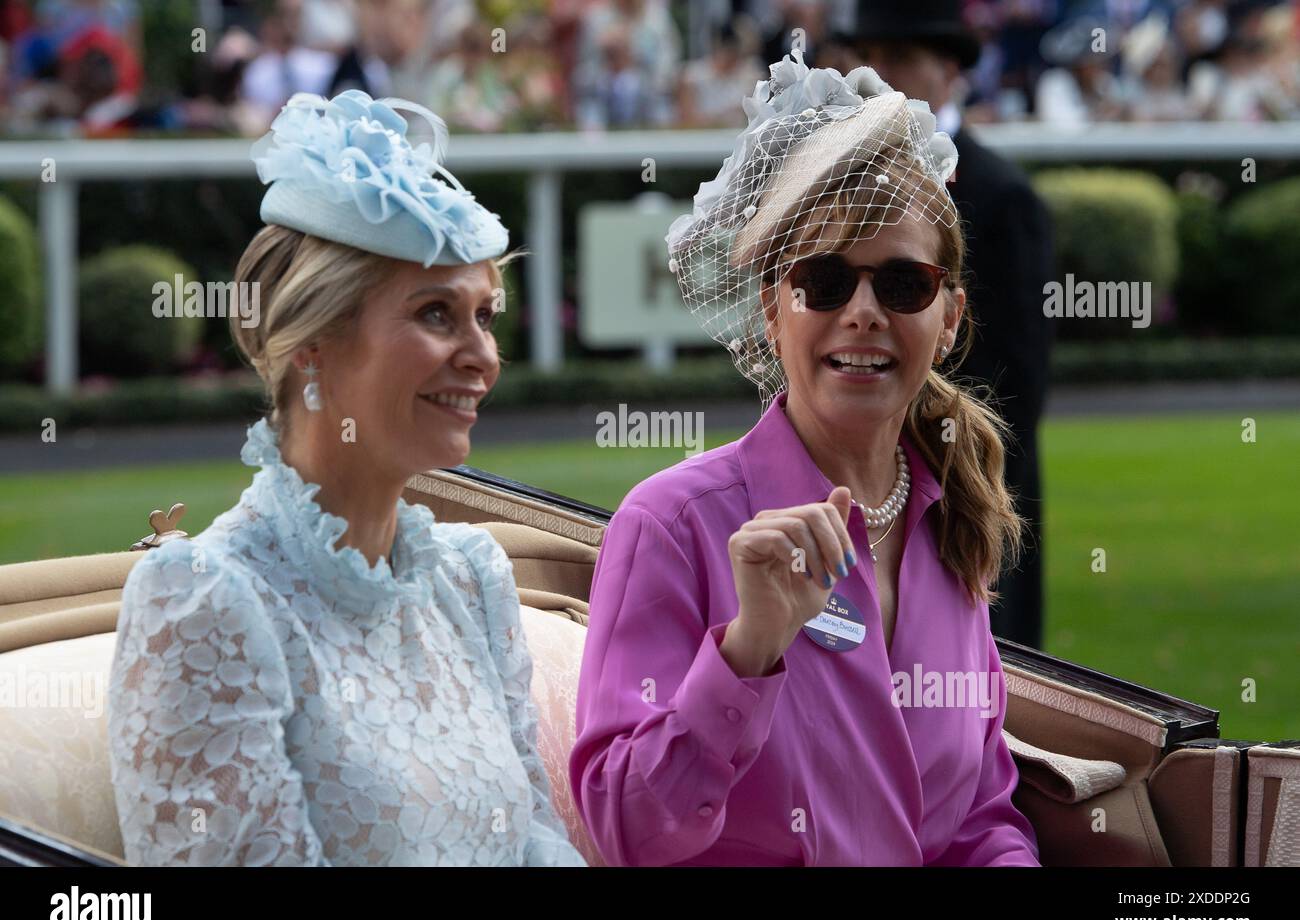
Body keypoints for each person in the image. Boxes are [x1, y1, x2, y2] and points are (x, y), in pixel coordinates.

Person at [570, 49, 1040, 866]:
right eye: (822, 282)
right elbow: (627, 831)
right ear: (772, 310)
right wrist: (748, 649)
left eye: (903, 285)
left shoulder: (951, 522)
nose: (861, 313)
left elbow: (979, 819)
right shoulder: (673, 525)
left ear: (952, 317)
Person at [108, 90, 586, 867]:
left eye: (486, 316)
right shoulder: (203, 602)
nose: (483, 356)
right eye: (437, 313)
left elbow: (535, 841)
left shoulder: (469, 582)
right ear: (312, 345)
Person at [855, 0, 1055, 650]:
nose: (882, 74)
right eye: (874, 58)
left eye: (901, 59)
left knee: (985, 699)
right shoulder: (843, 187)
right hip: (854, 480)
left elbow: (1019, 378)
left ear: (948, 68)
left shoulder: (1000, 194)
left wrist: (967, 488)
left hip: (959, 479)